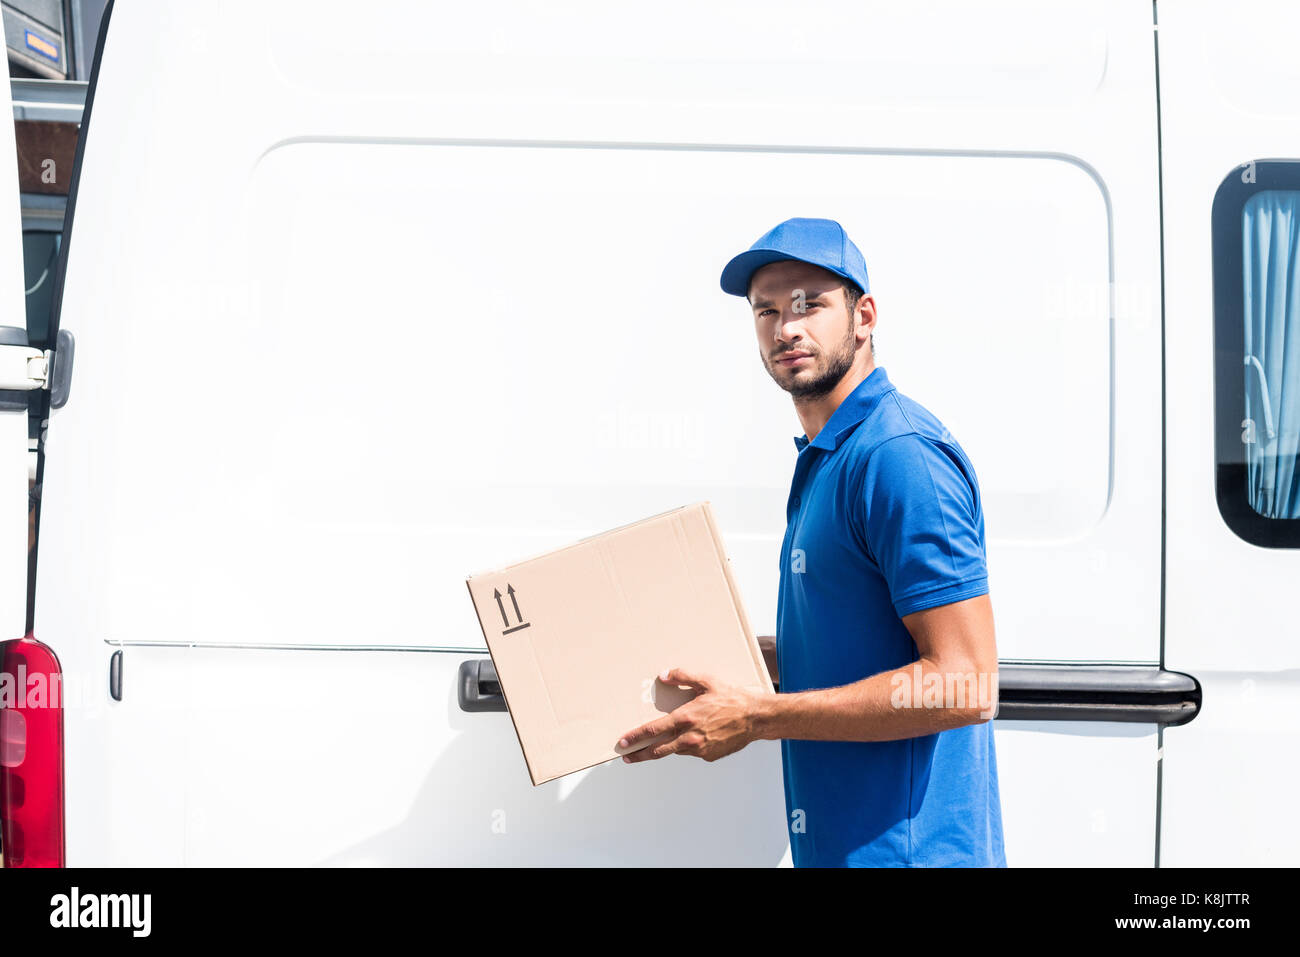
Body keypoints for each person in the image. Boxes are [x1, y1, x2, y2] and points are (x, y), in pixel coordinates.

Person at [617, 217, 1006, 867]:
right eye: (765, 309)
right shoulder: (830, 456)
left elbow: (965, 681)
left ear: (864, 317)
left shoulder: (897, 455)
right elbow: (850, 643)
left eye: (809, 304)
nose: (785, 327)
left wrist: (759, 715)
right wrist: (714, 663)